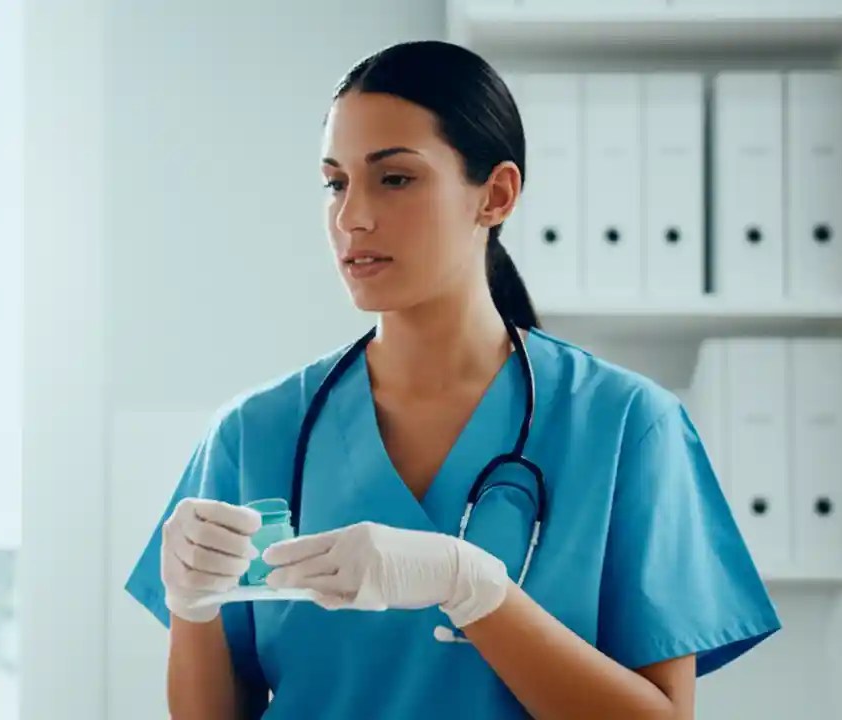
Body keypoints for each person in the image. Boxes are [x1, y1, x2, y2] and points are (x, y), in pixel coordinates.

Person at [124, 40, 780, 719]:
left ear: (495, 195)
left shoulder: (625, 425)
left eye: (395, 178)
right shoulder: (254, 434)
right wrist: (192, 608)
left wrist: (472, 588)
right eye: (334, 182)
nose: (352, 217)